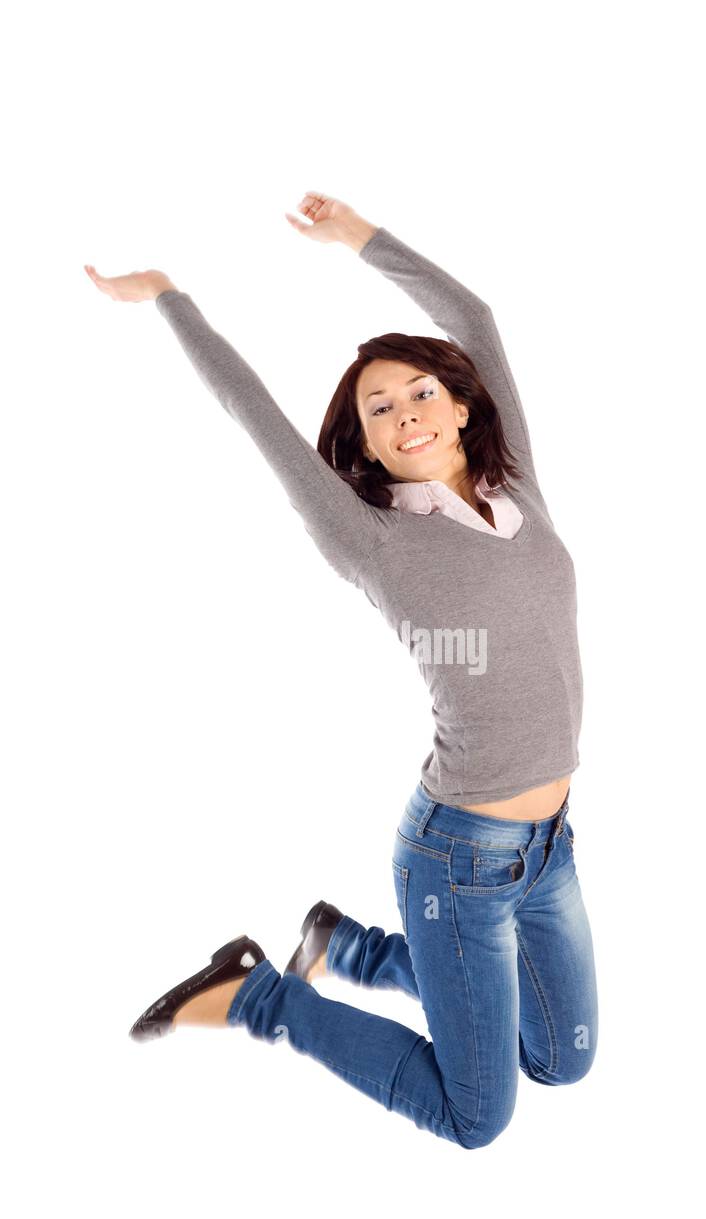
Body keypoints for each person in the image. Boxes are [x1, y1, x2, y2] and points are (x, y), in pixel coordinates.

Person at [85, 191, 598, 1149]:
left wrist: (358, 234)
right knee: (475, 1114)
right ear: (361, 442)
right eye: (378, 408)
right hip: (459, 854)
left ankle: (348, 947)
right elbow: (255, 412)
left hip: (551, 846)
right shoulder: (370, 539)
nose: (405, 413)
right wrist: (168, 297)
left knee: (562, 1058)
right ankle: (258, 996)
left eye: (418, 392)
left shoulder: (512, 479)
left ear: (461, 401)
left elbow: (474, 318)